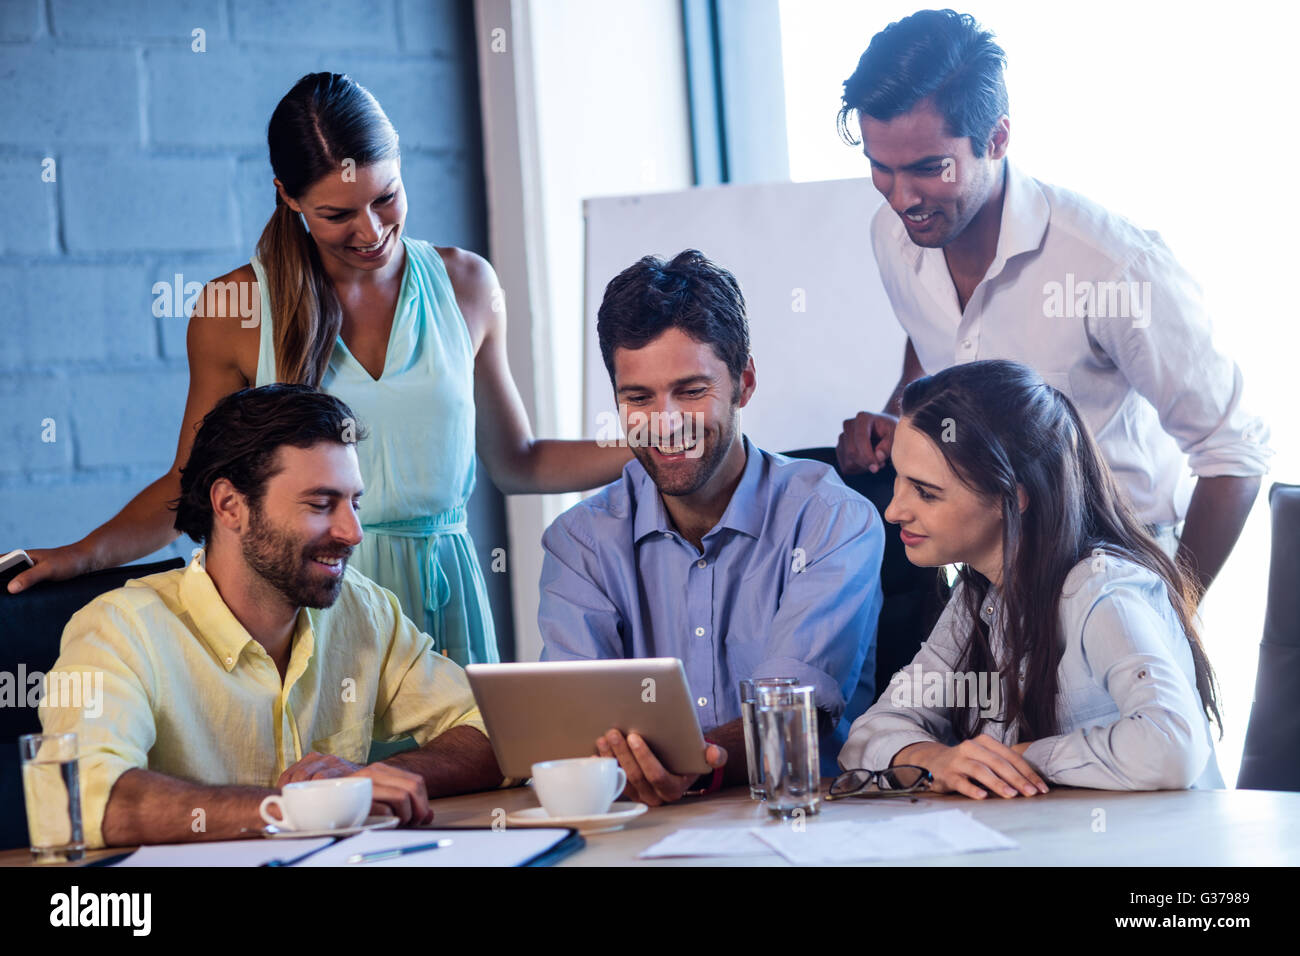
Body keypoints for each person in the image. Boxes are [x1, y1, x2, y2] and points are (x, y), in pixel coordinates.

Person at [8, 72, 631, 667]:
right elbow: (187, 490)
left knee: (464, 770)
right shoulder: (236, 311)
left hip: (446, 613)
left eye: (385, 198)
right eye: (337, 215)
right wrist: (81, 556)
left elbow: (518, 461)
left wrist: (650, 447)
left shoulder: (467, 284)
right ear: (288, 194)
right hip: (313, 603)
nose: (371, 231)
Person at [833, 9, 1270, 594]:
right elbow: (933, 333)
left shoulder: (1113, 267)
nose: (902, 197)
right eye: (879, 168)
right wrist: (901, 417)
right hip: (990, 564)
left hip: (1119, 567)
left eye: (928, 169)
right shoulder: (894, 237)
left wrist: (1171, 615)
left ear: (997, 138)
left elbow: (1233, 452)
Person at [37, 385, 504, 849]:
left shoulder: (364, 610)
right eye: (321, 505)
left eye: (354, 503)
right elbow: (77, 801)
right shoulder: (120, 630)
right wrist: (294, 810)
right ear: (230, 506)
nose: (353, 532)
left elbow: (496, 728)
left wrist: (368, 780)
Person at [539, 250, 884, 806]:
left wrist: (684, 765)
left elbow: (789, 718)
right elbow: (578, 723)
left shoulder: (832, 520)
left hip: (801, 820)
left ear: (743, 383)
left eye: (692, 391)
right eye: (639, 398)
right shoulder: (579, 541)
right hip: (640, 830)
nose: (667, 424)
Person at [838, 360, 1224, 797]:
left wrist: (1022, 759)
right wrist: (933, 760)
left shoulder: (1103, 593)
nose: (893, 511)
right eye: (899, 482)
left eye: (926, 492)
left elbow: (1173, 747)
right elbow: (867, 735)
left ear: (1011, 498)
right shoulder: (975, 598)